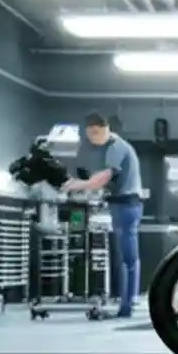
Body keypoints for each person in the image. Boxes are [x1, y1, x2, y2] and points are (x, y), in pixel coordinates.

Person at [63, 113, 144, 318]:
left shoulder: (116, 147)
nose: (93, 138)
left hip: (127, 205)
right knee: (125, 258)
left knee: (128, 258)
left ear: (106, 128)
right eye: (90, 134)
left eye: (96, 132)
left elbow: (106, 176)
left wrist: (80, 185)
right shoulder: (109, 148)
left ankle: (127, 305)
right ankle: (128, 301)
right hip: (120, 205)